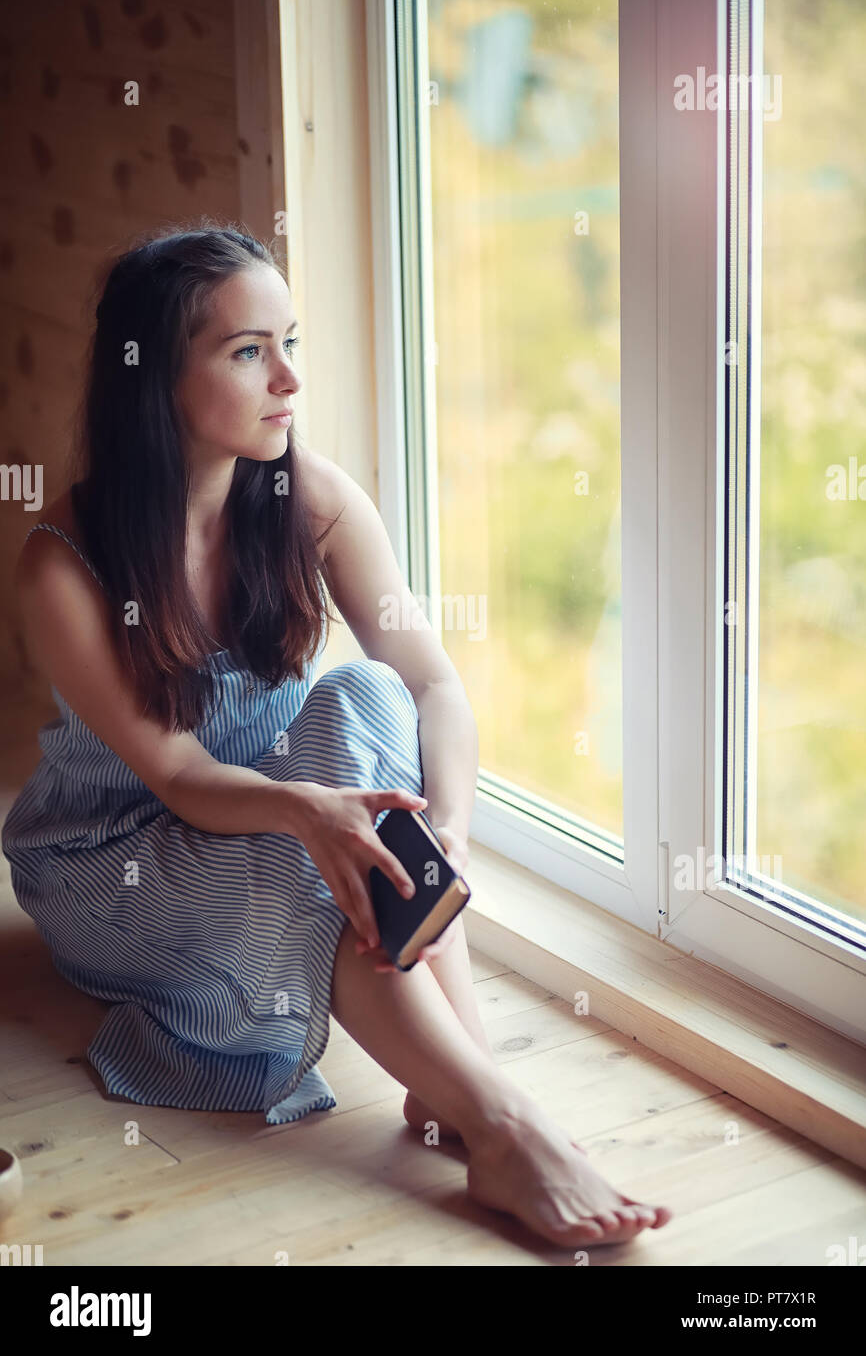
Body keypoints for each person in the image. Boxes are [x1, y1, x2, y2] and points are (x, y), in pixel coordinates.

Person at [1, 221, 672, 1250]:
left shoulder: (308, 499)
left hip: (275, 807)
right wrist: (313, 813)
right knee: (322, 869)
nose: (288, 380)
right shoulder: (65, 569)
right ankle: (500, 1116)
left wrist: (444, 825)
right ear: (155, 379)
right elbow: (178, 774)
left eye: (292, 341)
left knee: (363, 699)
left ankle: (467, 1090)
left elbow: (430, 684)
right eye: (246, 351)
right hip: (119, 858)